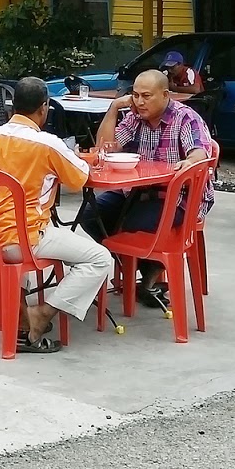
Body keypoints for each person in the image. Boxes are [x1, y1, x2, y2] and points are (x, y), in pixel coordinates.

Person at [0, 77, 115, 354]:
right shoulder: (47, 144)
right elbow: (80, 179)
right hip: (24, 238)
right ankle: (43, 313)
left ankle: (20, 318)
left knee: (37, 234)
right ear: (44, 108)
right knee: (100, 258)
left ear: (11, 107)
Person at [80, 70, 216, 306]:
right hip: (135, 191)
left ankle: (148, 278)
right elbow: (105, 149)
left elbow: (200, 151)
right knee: (91, 215)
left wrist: (189, 162)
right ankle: (128, 265)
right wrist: (114, 108)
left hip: (179, 197)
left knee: (133, 223)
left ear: (165, 95)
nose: (139, 102)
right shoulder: (135, 117)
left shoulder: (186, 118)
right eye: (135, 95)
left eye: (146, 96)